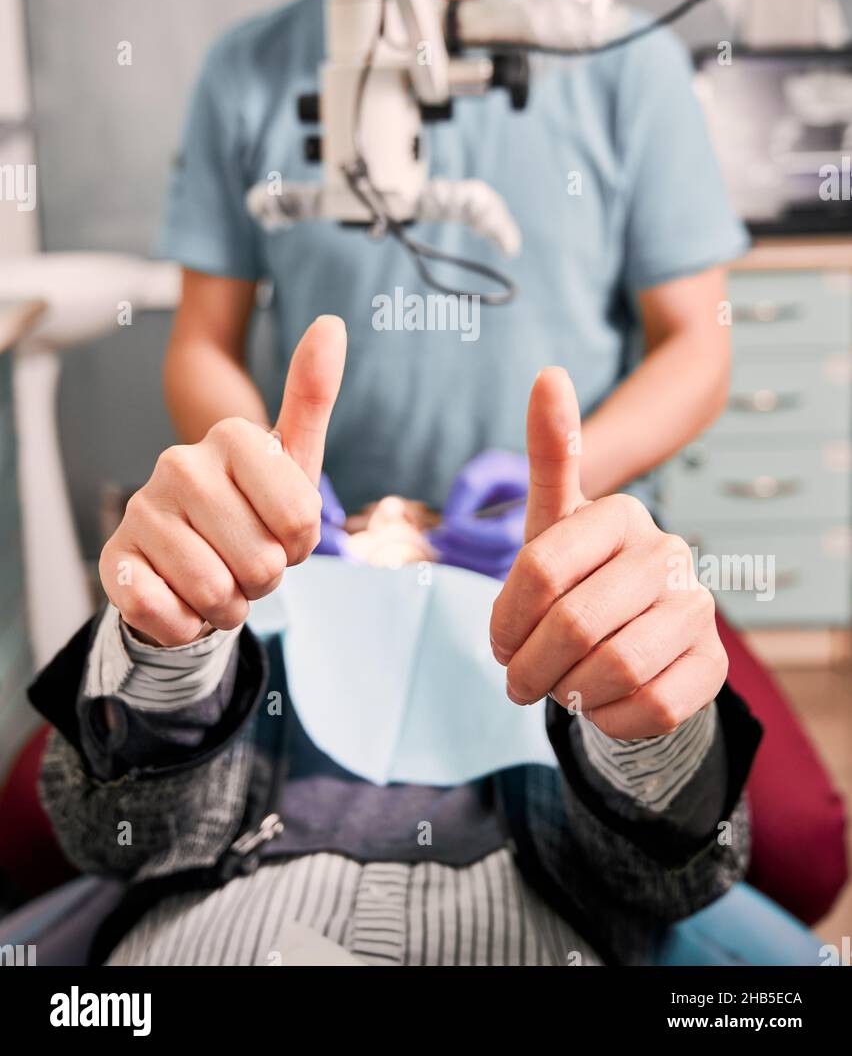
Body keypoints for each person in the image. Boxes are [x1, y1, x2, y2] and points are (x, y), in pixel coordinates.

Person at [159, 0, 747, 523]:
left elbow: (698, 345)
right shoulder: (245, 69)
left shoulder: (629, 65)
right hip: (332, 551)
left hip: (564, 545)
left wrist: (557, 483)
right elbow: (200, 342)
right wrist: (271, 489)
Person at [30, 317, 774, 967]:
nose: (388, 526)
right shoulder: (245, 649)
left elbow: (682, 874)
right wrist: (170, 635)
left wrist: (645, 720)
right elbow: (104, 832)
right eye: (365, 523)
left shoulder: (571, 666)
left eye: (415, 528)